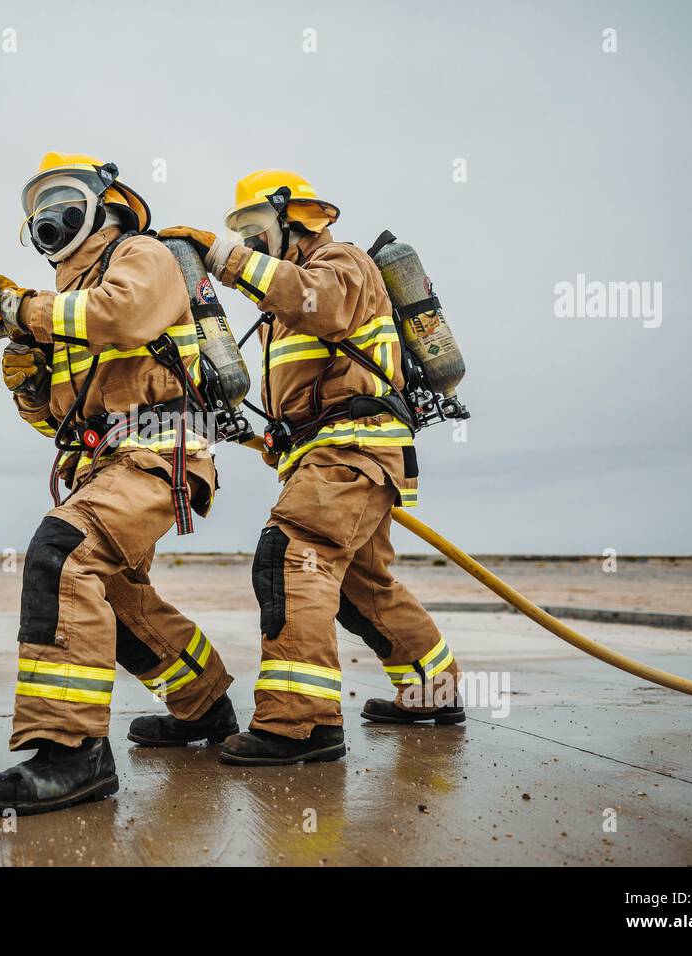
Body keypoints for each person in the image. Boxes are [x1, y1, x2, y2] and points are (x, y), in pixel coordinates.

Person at [160, 170, 464, 768]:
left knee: (291, 556)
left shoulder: (341, 261)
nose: (247, 241)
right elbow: (305, 396)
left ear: (297, 219)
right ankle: (435, 690)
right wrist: (264, 432)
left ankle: (301, 725)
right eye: (239, 233)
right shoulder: (281, 307)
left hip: (353, 449)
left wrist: (221, 256)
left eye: (253, 229)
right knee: (360, 588)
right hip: (335, 451)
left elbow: (318, 302)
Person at [0, 152, 238, 815]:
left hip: (160, 450)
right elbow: (62, 419)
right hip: (105, 460)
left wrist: (21, 309)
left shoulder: (140, 255)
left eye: (60, 198)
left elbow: (122, 317)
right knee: (115, 602)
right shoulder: (68, 304)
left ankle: (73, 751)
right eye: (36, 209)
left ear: (103, 202)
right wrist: (29, 381)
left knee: (61, 555)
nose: (47, 217)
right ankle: (204, 705)